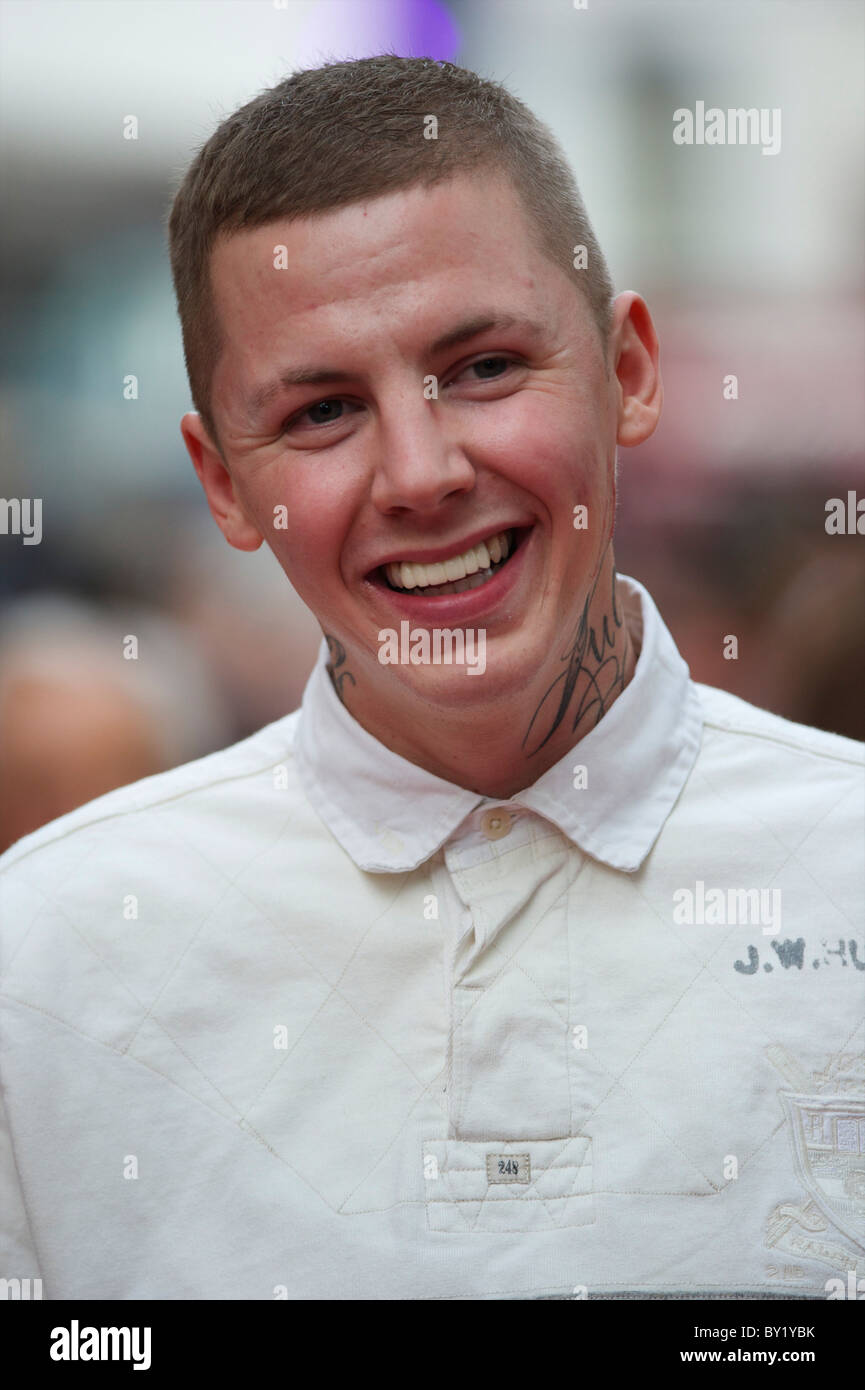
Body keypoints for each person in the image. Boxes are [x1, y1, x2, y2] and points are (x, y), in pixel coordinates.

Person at [1, 55, 862, 1302]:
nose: (419, 473)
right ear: (223, 484)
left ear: (626, 373)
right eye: (320, 412)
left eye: (485, 368)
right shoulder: (45, 957)